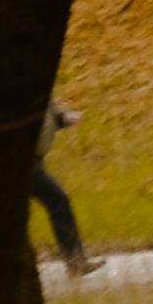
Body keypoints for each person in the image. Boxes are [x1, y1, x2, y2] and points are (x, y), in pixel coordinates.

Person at [29, 103, 95, 278]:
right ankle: (75, 262)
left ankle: (75, 262)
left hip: (34, 160)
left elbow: (45, 111)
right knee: (58, 200)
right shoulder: (16, 83)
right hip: (21, 163)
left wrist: (61, 118)